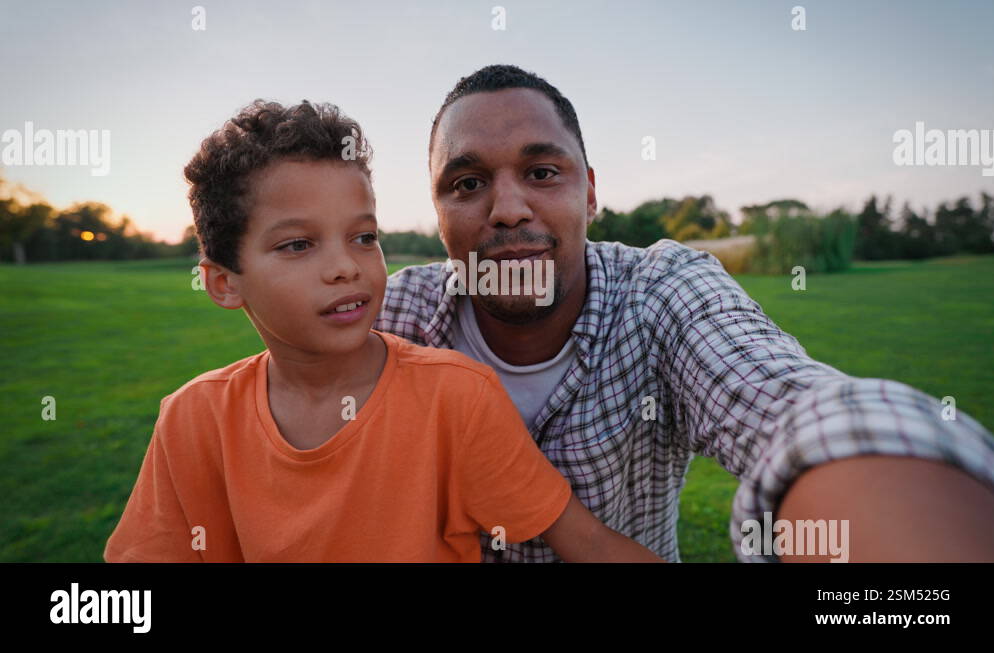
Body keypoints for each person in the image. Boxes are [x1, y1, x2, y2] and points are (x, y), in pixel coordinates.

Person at [375, 64, 994, 562]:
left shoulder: (661, 291)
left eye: (542, 171)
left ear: (589, 192)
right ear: (436, 211)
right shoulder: (395, 314)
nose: (507, 208)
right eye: (466, 183)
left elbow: (788, 406)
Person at [103, 99, 664, 563]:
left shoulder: (457, 398)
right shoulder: (192, 418)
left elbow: (586, 542)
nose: (346, 266)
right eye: (298, 244)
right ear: (224, 284)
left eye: (363, 237)